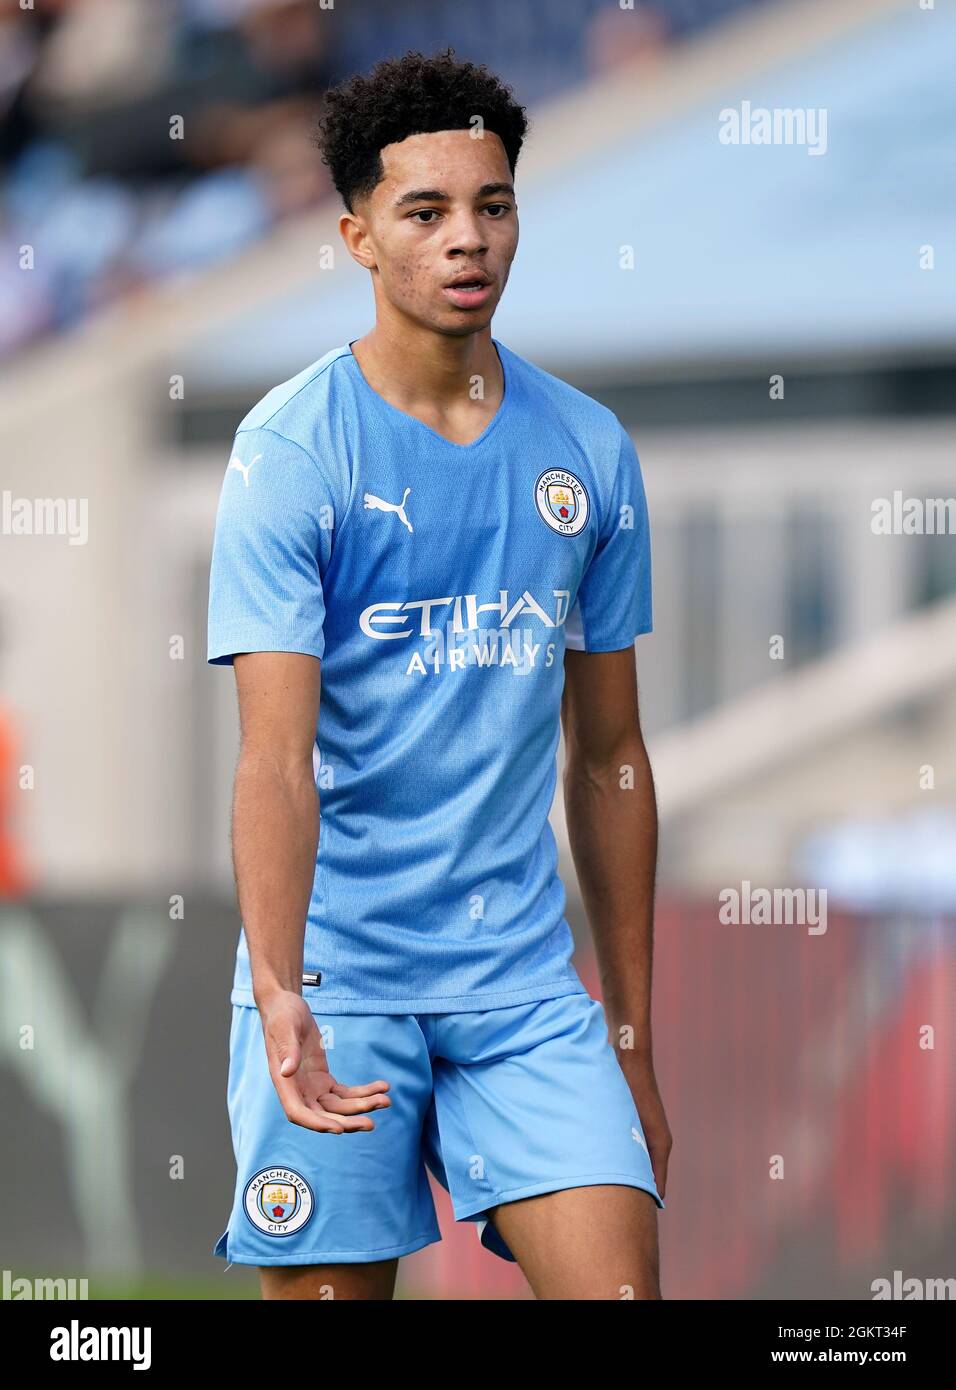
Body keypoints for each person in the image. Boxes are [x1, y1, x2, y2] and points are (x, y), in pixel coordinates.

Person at [207, 47, 671, 1301]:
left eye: (493, 205)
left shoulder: (586, 448)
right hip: (335, 985)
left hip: (522, 993)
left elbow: (611, 755)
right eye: (425, 212)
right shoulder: (290, 452)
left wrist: (627, 1032)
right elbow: (274, 756)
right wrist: (275, 982)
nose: (467, 238)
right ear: (356, 235)